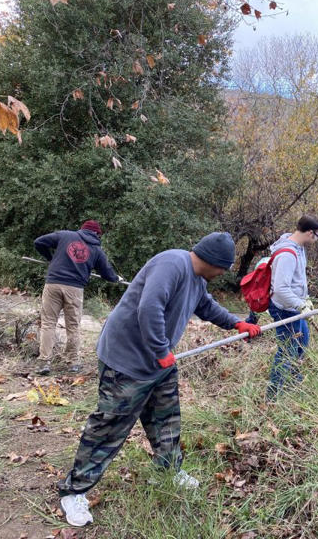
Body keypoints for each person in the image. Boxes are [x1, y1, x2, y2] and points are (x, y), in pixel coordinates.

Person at [56, 232, 261, 527]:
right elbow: (149, 307)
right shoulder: (172, 264)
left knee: (166, 419)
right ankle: (73, 491)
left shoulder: (197, 278)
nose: (221, 274)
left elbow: (205, 306)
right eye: (223, 268)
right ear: (215, 263)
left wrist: (236, 323)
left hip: (158, 363)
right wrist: (160, 348)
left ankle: (170, 470)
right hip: (126, 361)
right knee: (108, 427)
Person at [33, 220, 121, 375]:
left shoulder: (65, 235)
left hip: (53, 284)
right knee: (73, 326)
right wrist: (116, 279)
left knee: (48, 323)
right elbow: (106, 273)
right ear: (97, 234)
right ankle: (73, 362)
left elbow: (39, 242)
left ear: (82, 230)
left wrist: (50, 258)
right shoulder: (96, 249)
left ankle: (44, 362)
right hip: (74, 289)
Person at [266, 214, 318, 400]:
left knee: (301, 344)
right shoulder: (287, 254)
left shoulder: (298, 248)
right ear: (310, 233)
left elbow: (298, 281)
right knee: (287, 352)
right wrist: (301, 305)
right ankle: (272, 398)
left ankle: (293, 386)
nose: (317, 240)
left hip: (295, 307)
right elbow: (281, 289)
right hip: (284, 309)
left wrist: (305, 300)